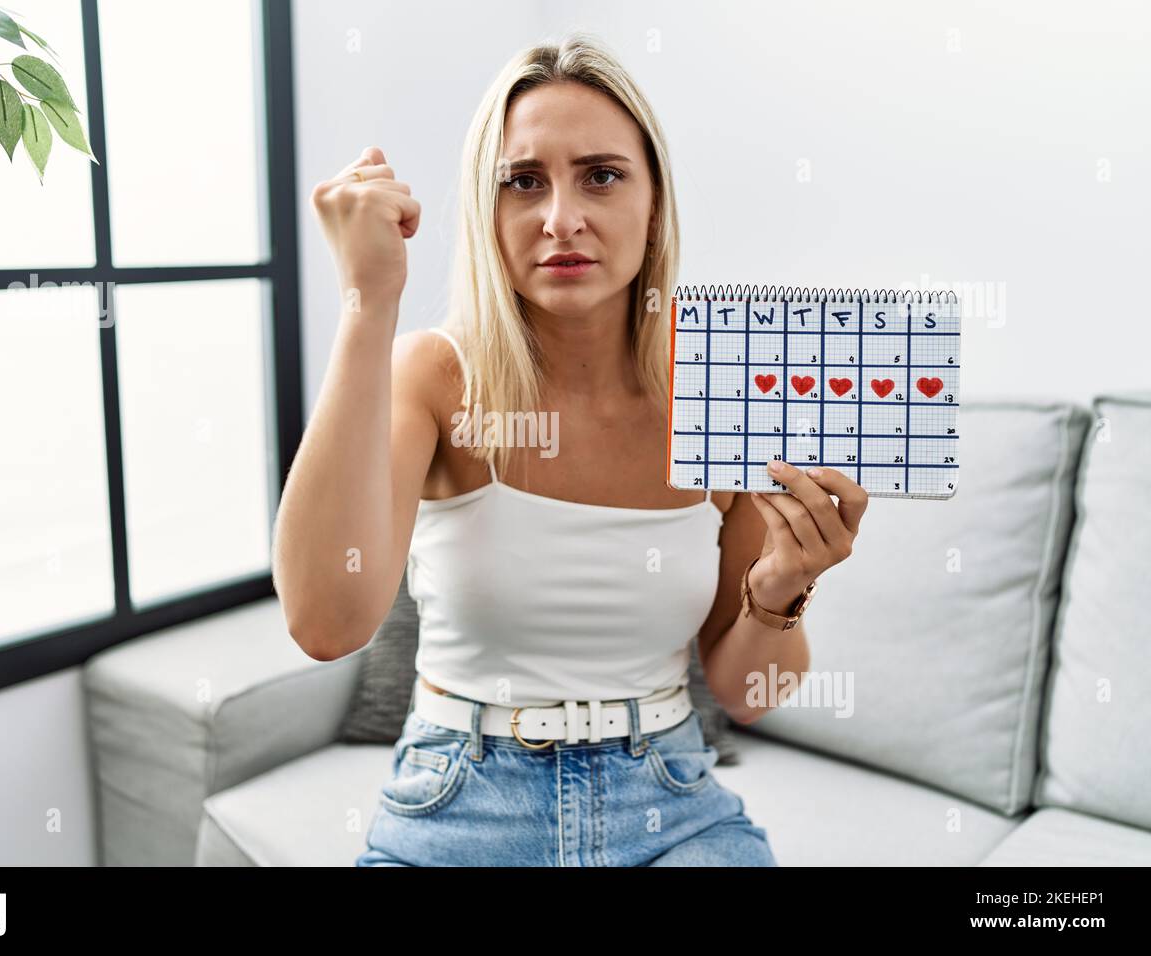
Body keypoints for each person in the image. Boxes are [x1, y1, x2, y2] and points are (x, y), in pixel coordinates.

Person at [274, 32, 869, 866]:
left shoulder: (723, 386)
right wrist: (368, 301)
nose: (561, 219)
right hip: (459, 803)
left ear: (654, 199)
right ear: (488, 212)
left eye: (601, 174)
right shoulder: (435, 378)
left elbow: (749, 694)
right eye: (523, 182)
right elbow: (323, 624)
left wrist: (780, 589)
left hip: (672, 800)